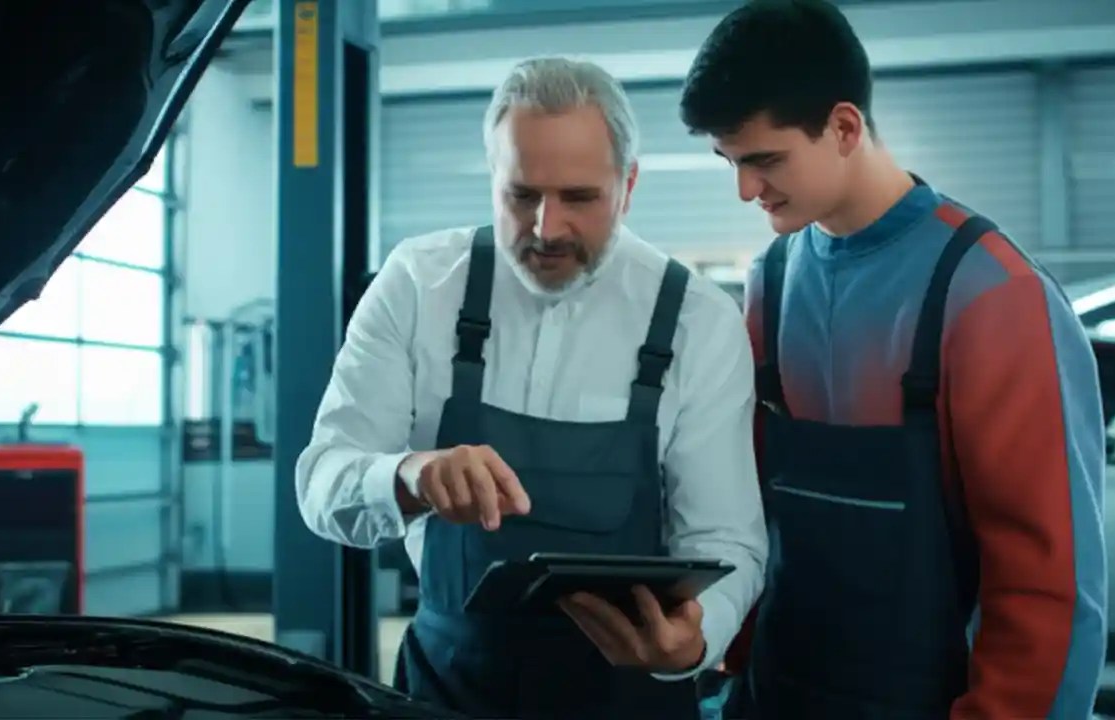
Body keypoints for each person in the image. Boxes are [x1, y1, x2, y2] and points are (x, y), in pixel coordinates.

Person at [295, 56, 768, 720]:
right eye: (522, 195)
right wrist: (409, 475)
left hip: (626, 699)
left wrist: (693, 639)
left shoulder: (698, 322)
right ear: (494, 178)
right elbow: (321, 485)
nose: (547, 228)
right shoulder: (417, 285)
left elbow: (727, 540)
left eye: (579, 197)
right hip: (446, 692)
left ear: (627, 186)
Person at [678, 2, 1108, 719]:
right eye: (730, 162)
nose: (745, 190)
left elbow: (1047, 588)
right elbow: (750, 516)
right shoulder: (771, 287)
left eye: (764, 159)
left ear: (844, 127)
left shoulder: (992, 294)